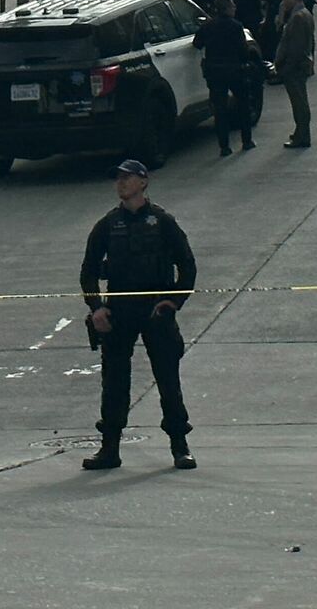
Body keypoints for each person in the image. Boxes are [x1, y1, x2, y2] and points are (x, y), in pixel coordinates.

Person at [79, 160, 198, 471]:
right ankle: (110, 448)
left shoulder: (163, 222)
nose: (120, 183)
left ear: (143, 182)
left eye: (127, 178)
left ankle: (179, 445)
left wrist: (174, 301)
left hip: (155, 310)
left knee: (168, 379)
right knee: (114, 381)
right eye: (117, 178)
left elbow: (188, 266)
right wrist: (97, 308)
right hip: (119, 311)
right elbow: (88, 272)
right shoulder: (107, 225)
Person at [194, 0, 258, 154]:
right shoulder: (236, 26)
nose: (235, 9)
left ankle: (224, 146)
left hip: (215, 72)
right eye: (232, 6)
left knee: (220, 110)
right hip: (235, 70)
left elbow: (197, 43)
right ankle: (247, 140)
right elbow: (243, 50)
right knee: (243, 105)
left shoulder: (208, 26)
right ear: (227, 9)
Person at [275, 0, 315, 148]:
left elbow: (295, 46)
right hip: (300, 65)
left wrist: (287, 66)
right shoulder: (303, 14)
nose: (283, 2)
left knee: (299, 103)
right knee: (300, 102)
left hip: (295, 67)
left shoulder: (298, 17)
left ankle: (302, 135)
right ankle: (300, 132)